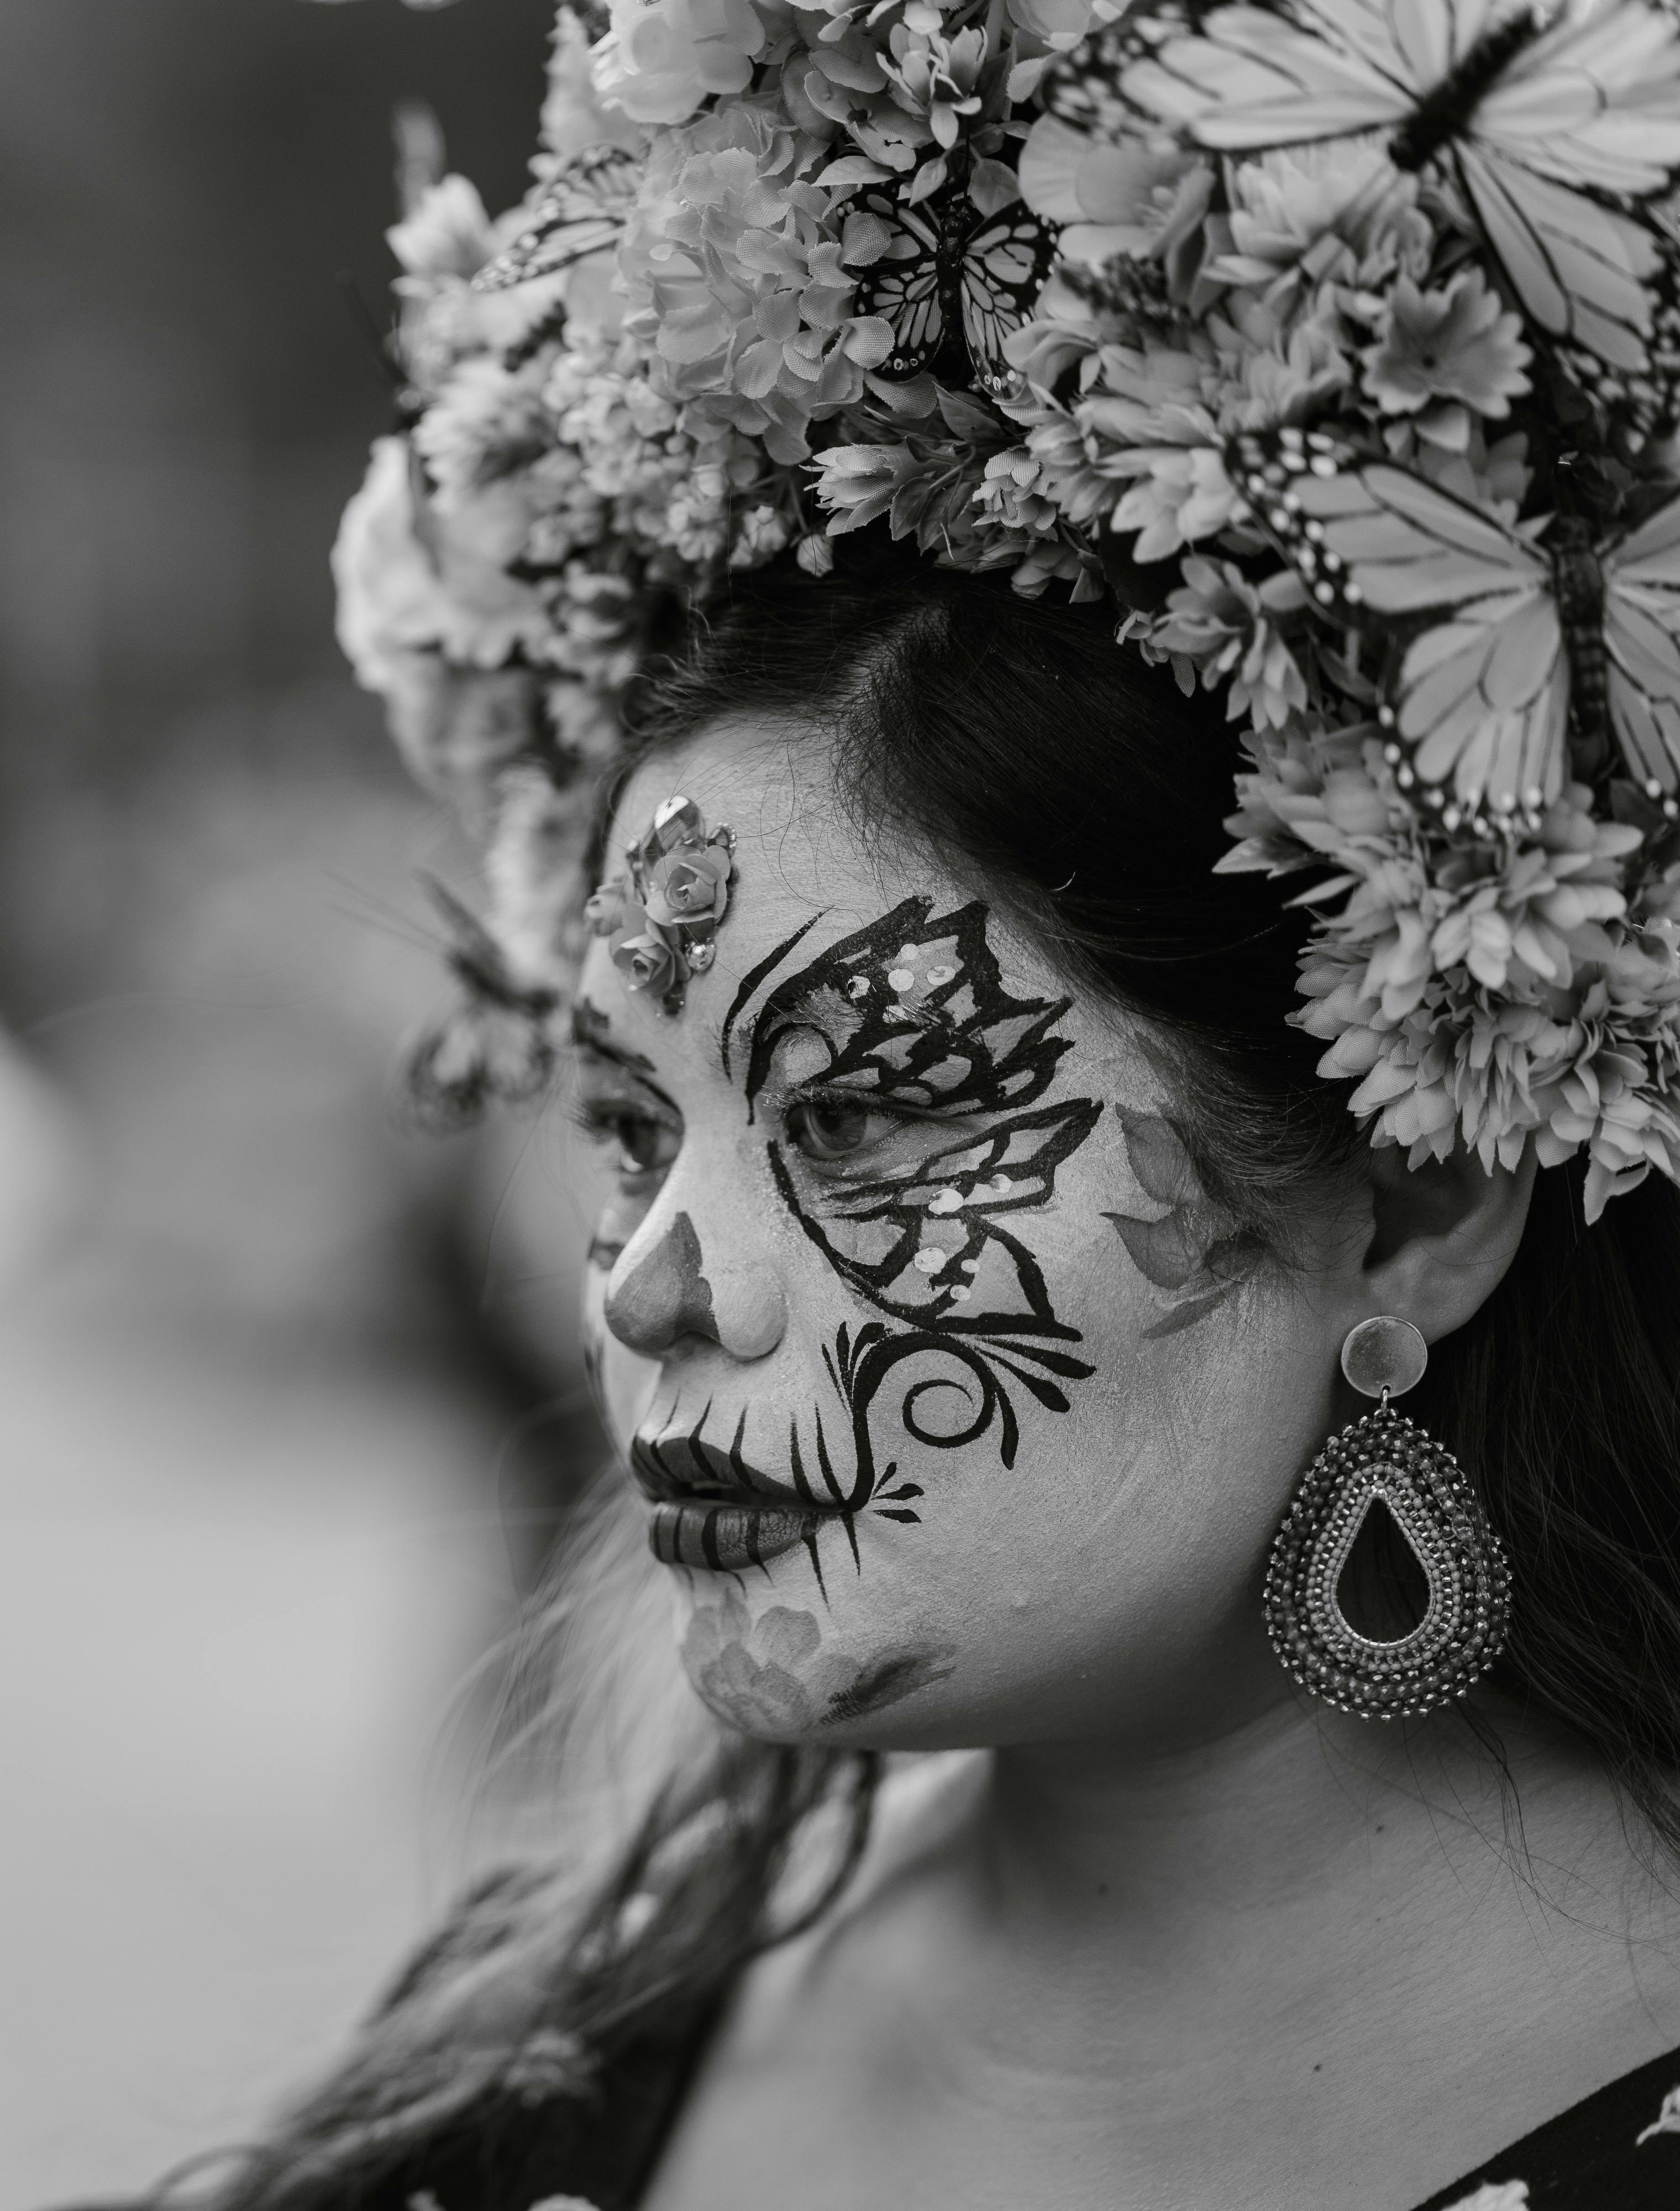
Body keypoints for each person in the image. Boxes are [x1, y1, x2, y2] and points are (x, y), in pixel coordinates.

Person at [167, 0, 1680, 2204]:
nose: (652, 1289)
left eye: (868, 1119)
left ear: (1416, 1203)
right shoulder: (518, 2071)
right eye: (628, 1128)